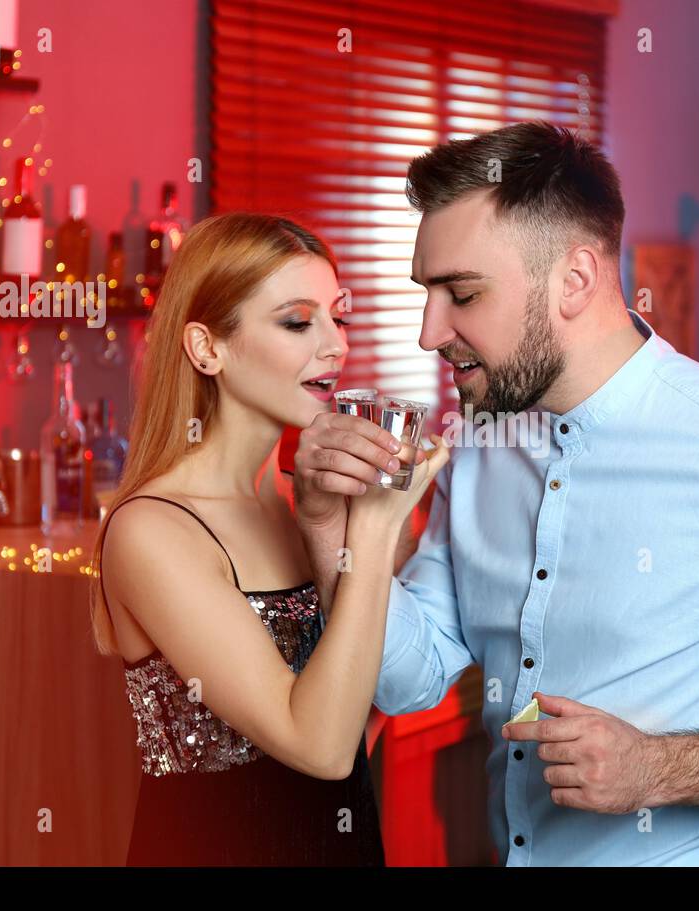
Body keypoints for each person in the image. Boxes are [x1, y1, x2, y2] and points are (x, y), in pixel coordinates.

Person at [292, 122, 699, 866]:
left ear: (574, 280)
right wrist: (325, 527)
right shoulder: (479, 445)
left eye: (462, 294)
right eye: (427, 293)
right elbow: (406, 678)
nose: (427, 332)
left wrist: (658, 768)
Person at [90, 212, 448, 865]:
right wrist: (371, 533)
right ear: (207, 348)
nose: (336, 346)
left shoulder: (301, 505)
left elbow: (354, 729)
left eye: (340, 318)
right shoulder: (151, 530)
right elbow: (319, 746)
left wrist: (348, 531)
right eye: (296, 322)